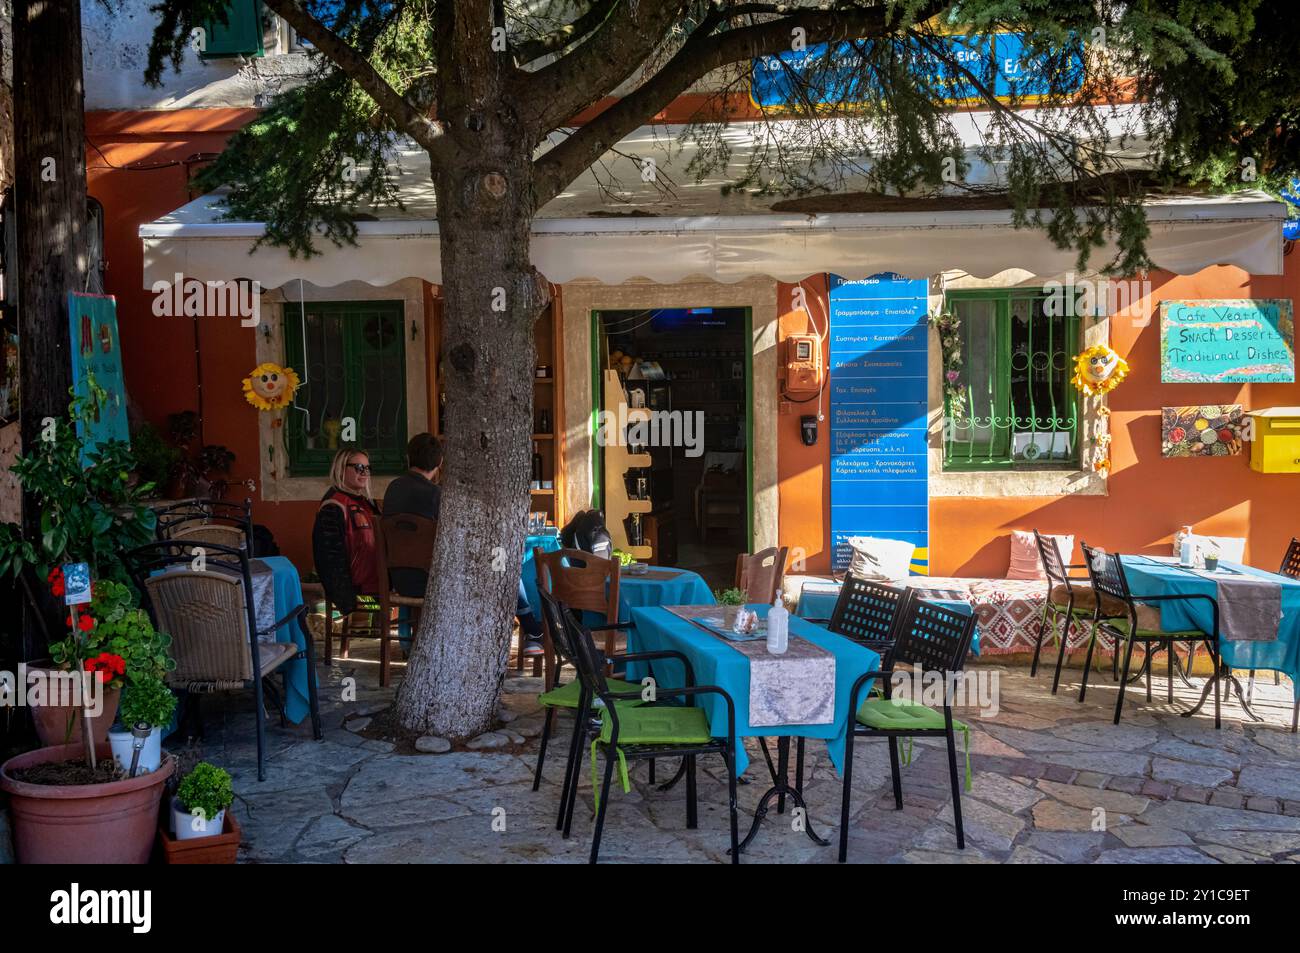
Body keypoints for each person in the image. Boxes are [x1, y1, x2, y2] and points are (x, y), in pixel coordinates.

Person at [312, 448, 382, 617]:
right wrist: (347, 602)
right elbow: (329, 559)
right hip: (358, 596)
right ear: (341, 469)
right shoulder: (333, 506)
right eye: (359, 467)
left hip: (377, 589)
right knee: (383, 611)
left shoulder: (367, 504)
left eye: (367, 468)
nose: (365, 473)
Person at [381, 432, 443, 598]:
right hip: (431, 583)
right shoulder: (436, 495)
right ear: (440, 462)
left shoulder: (393, 489)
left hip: (397, 580)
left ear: (408, 458)